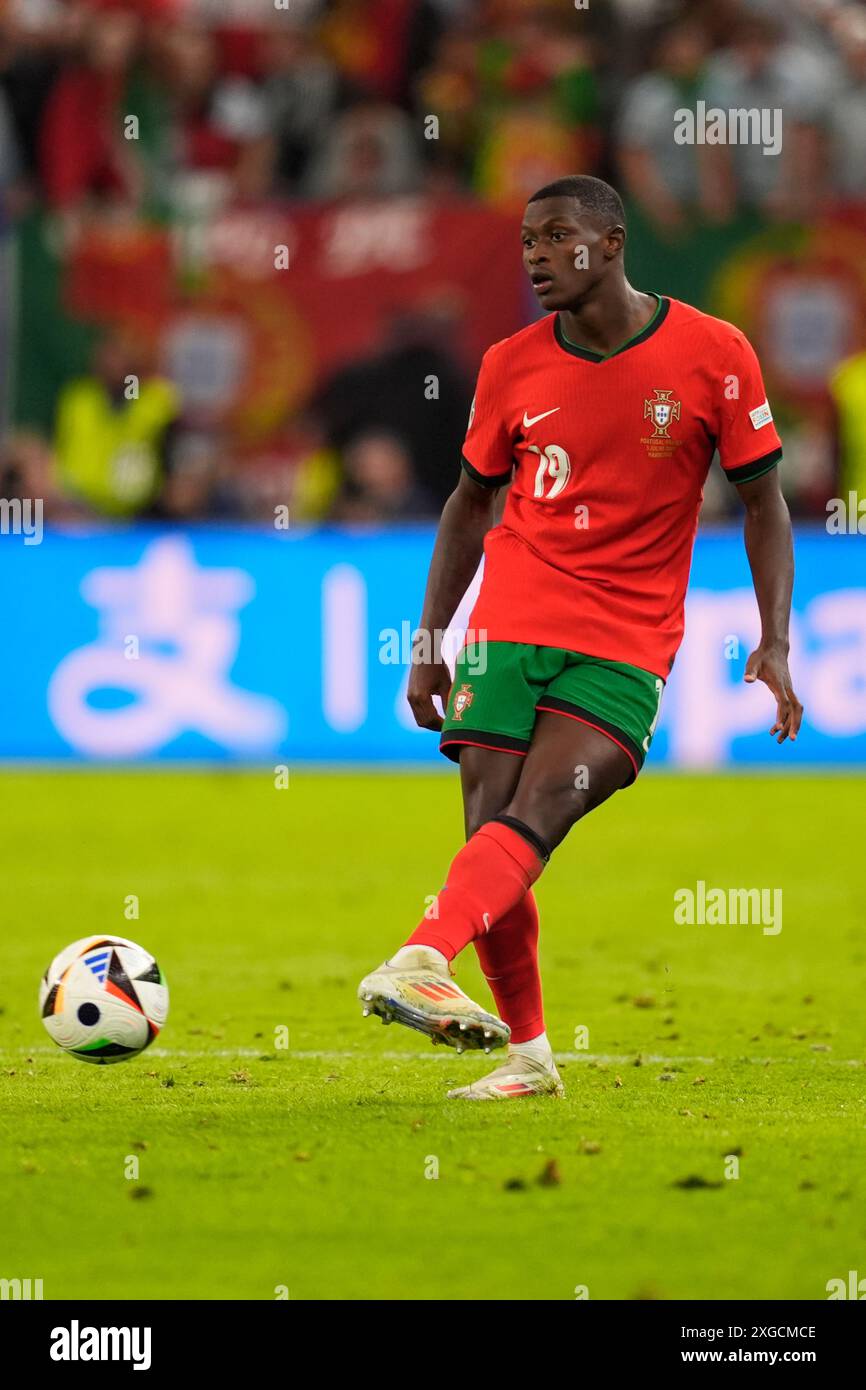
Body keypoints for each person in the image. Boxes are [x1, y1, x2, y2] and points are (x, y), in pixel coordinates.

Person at [357, 174, 803, 1100]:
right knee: (493, 834)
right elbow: (469, 502)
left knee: (545, 810)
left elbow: (764, 501)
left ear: (611, 242)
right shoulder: (512, 362)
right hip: (513, 619)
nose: (536, 256)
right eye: (527, 241)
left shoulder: (714, 354)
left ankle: (418, 955)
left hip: (629, 640)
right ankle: (529, 1058)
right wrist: (430, 637)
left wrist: (775, 639)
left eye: (556, 237)